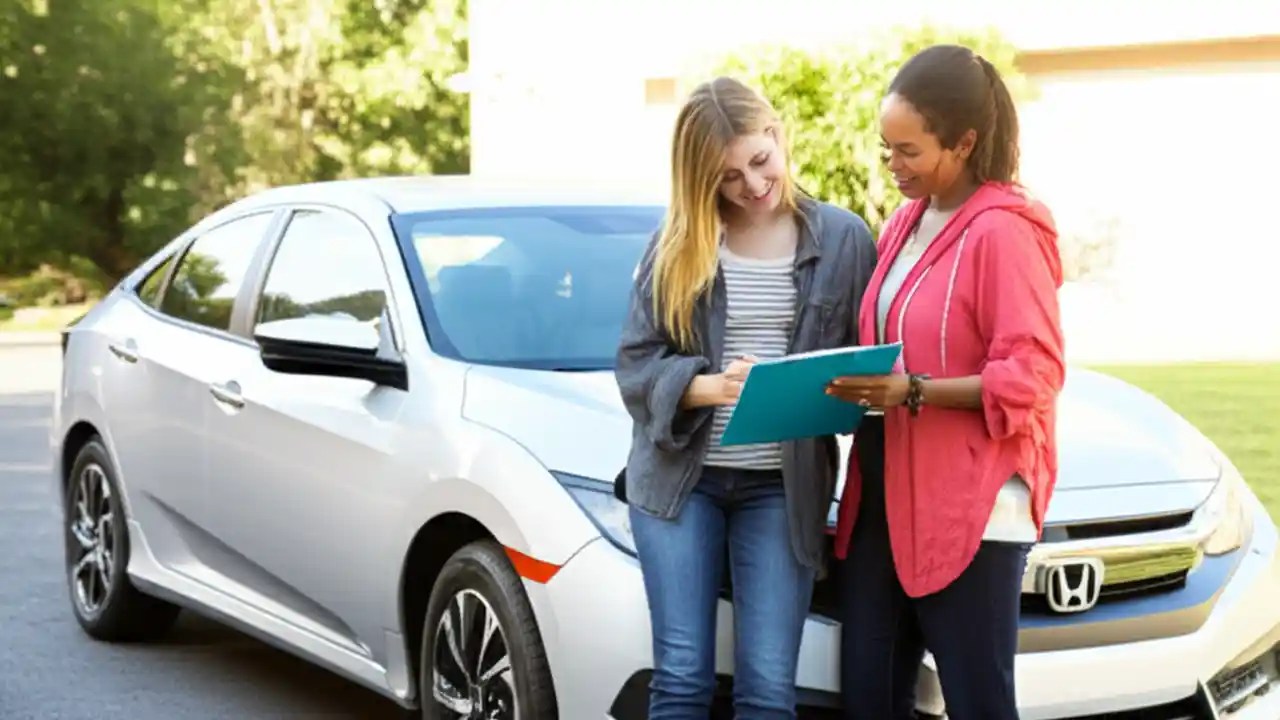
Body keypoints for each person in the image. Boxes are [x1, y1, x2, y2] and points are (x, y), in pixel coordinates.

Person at [615, 76, 877, 718]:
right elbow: (635, 366)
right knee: (681, 679)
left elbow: (869, 361)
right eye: (729, 177)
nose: (753, 186)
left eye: (760, 161)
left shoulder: (844, 240)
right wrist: (712, 387)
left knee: (767, 689)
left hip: (781, 492)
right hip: (681, 484)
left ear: (777, 135)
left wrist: (841, 390)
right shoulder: (678, 246)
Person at [825, 45, 1066, 720]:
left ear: (965, 143)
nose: (894, 168)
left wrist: (915, 391)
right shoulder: (905, 222)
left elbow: (1033, 374)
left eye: (910, 151)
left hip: (972, 508)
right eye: (886, 151)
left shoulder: (1004, 233)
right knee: (870, 700)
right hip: (882, 497)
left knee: (978, 703)